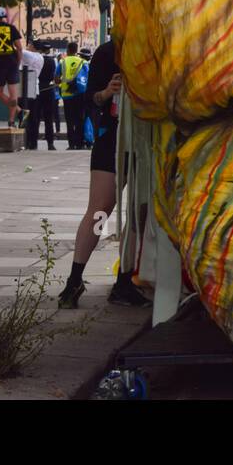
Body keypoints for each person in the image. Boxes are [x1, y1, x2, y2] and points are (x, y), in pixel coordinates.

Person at [58, 38, 150, 308]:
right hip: (112, 139)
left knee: (139, 213)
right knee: (100, 211)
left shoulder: (155, 46)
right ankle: (75, 279)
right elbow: (92, 99)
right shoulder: (108, 52)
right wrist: (108, 92)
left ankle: (125, 279)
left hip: (147, 141)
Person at [0, 6, 24, 126]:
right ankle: (12, 120)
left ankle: (19, 112)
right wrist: (17, 63)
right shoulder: (11, 28)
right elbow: (19, 48)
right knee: (13, 95)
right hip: (12, 64)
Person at [22, 46, 58, 150]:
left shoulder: (36, 60)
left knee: (35, 118)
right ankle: (50, 143)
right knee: (49, 119)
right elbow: (53, 75)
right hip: (49, 90)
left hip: (37, 89)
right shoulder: (52, 61)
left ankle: (33, 142)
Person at [58, 41, 89, 150]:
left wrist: (61, 82)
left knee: (69, 120)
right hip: (80, 94)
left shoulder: (62, 62)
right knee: (80, 119)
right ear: (76, 50)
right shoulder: (83, 62)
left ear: (68, 50)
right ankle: (79, 143)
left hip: (67, 95)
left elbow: (56, 78)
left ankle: (71, 144)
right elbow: (88, 78)